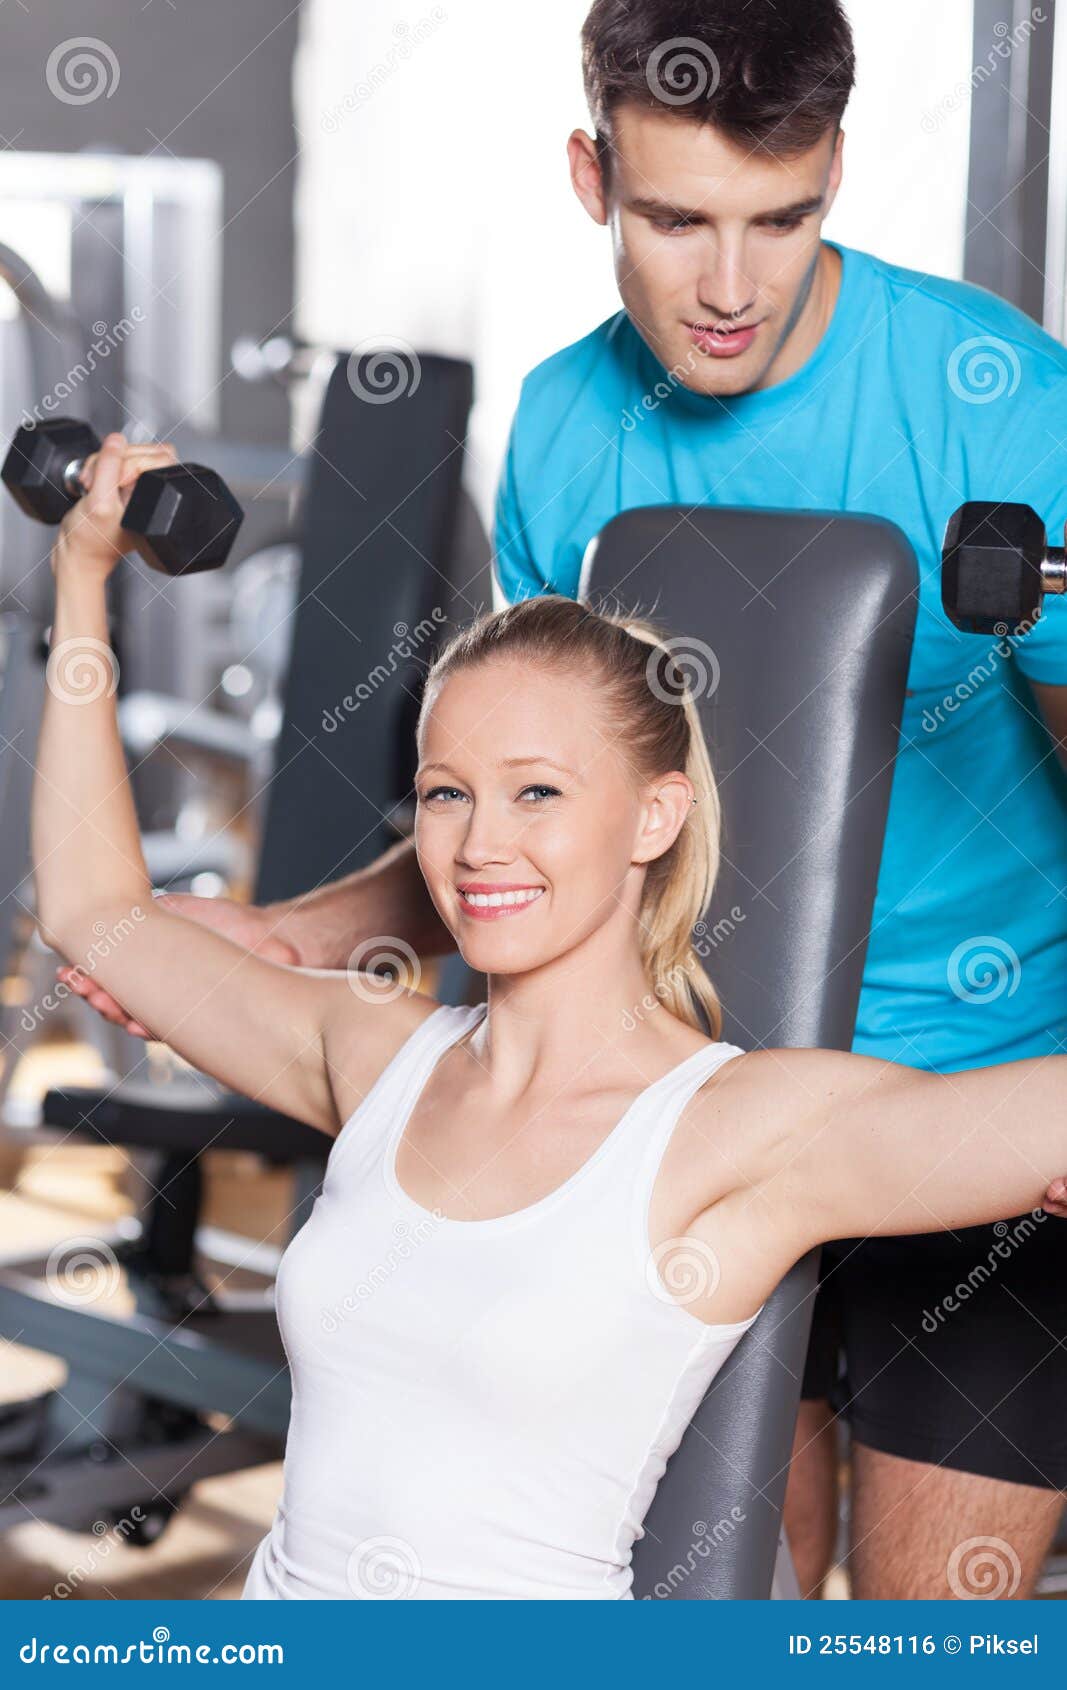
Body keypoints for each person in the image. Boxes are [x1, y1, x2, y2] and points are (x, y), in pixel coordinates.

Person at [59, 1, 1067, 1599]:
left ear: (838, 176)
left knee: (935, 1627)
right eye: (677, 220)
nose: (732, 286)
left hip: (980, 1086)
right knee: (727, 1606)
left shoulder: (999, 399)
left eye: (783, 220)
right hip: (700, 1119)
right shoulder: (569, 426)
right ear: (592, 174)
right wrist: (279, 931)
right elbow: (530, 804)